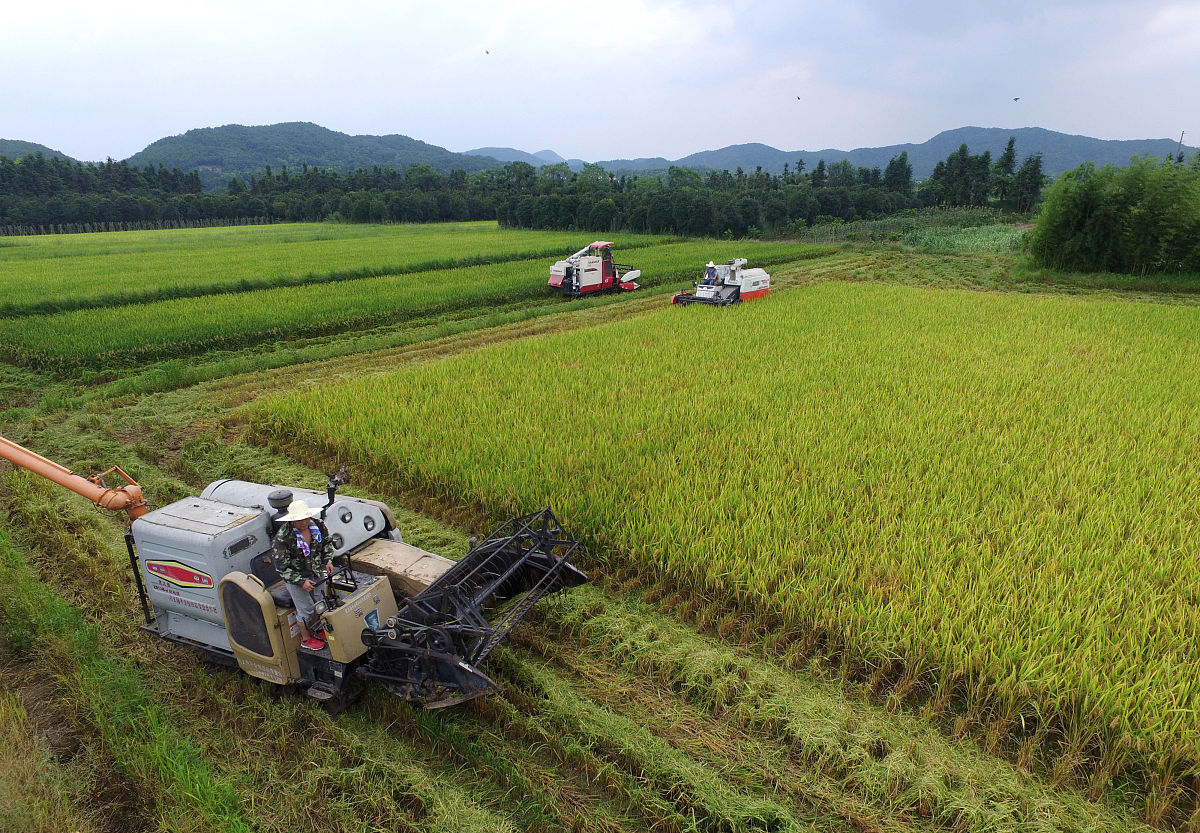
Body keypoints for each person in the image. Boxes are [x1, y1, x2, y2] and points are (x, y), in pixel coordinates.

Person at [272, 499, 335, 649]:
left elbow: (327, 543)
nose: (303, 522)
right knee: (305, 609)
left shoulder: (318, 525)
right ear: (292, 520)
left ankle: (318, 629)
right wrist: (301, 581)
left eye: (305, 518)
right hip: (295, 577)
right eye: (299, 520)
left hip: (316, 570)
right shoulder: (283, 537)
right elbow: (282, 567)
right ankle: (305, 639)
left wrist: (328, 560)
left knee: (320, 601)